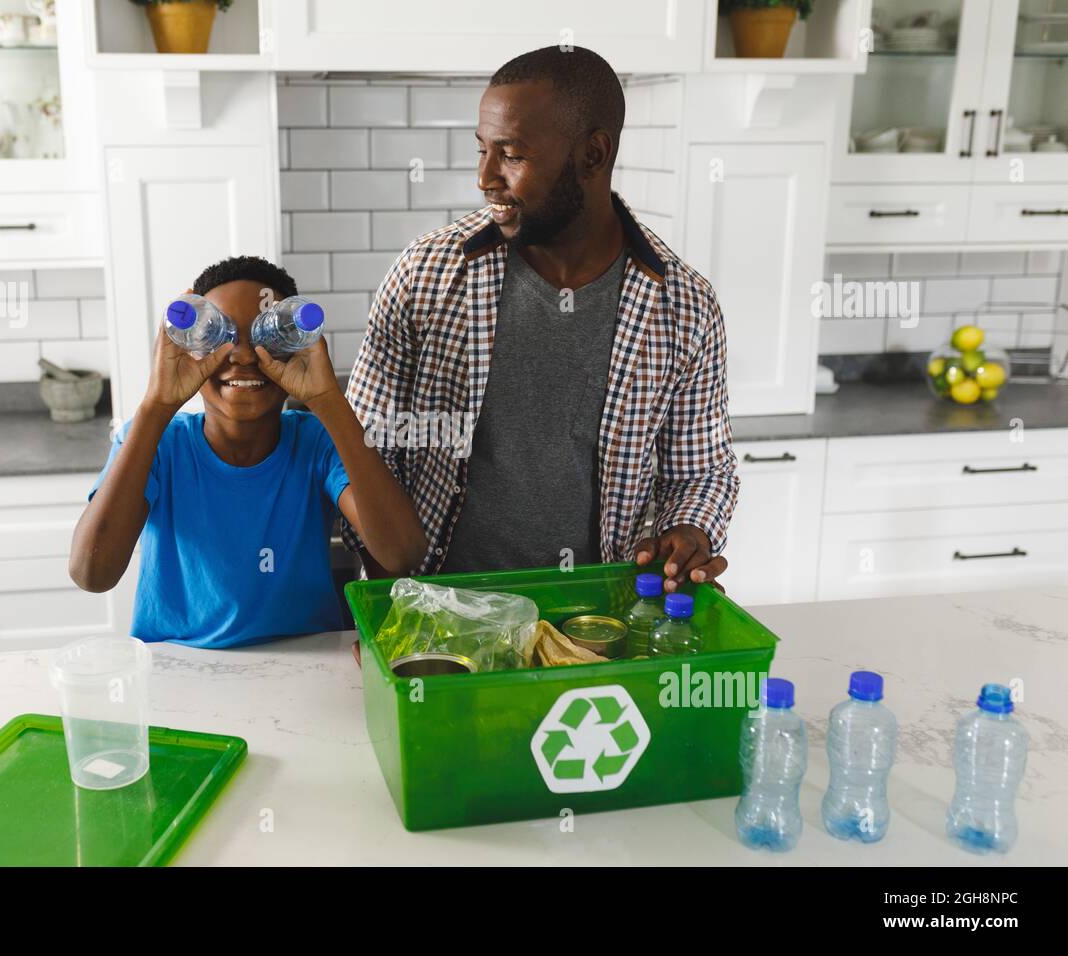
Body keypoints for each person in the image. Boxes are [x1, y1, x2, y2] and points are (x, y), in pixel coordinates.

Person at [343, 46, 738, 592]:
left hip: (594, 619)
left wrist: (687, 528)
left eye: (511, 155)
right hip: (440, 618)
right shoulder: (428, 273)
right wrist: (387, 601)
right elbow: (365, 451)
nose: (484, 178)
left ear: (593, 155)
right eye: (482, 150)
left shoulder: (685, 306)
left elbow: (700, 471)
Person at [69, 256, 428, 647]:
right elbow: (92, 573)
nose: (242, 355)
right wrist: (156, 406)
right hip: (175, 672)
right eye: (218, 336)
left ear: (297, 347)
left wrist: (328, 400)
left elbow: (402, 554)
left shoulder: (317, 443)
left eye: (266, 338)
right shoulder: (156, 445)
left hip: (306, 665)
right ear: (189, 349)